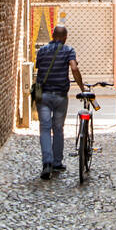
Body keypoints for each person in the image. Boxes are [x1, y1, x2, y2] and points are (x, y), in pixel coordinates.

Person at [35, 25, 84, 179]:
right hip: (61, 96)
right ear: (65, 37)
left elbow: (39, 69)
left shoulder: (42, 51)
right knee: (58, 128)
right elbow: (74, 68)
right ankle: (57, 162)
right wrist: (82, 87)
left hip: (43, 95)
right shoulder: (68, 50)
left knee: (44, 128)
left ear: (52, 35)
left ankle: (47, 163)